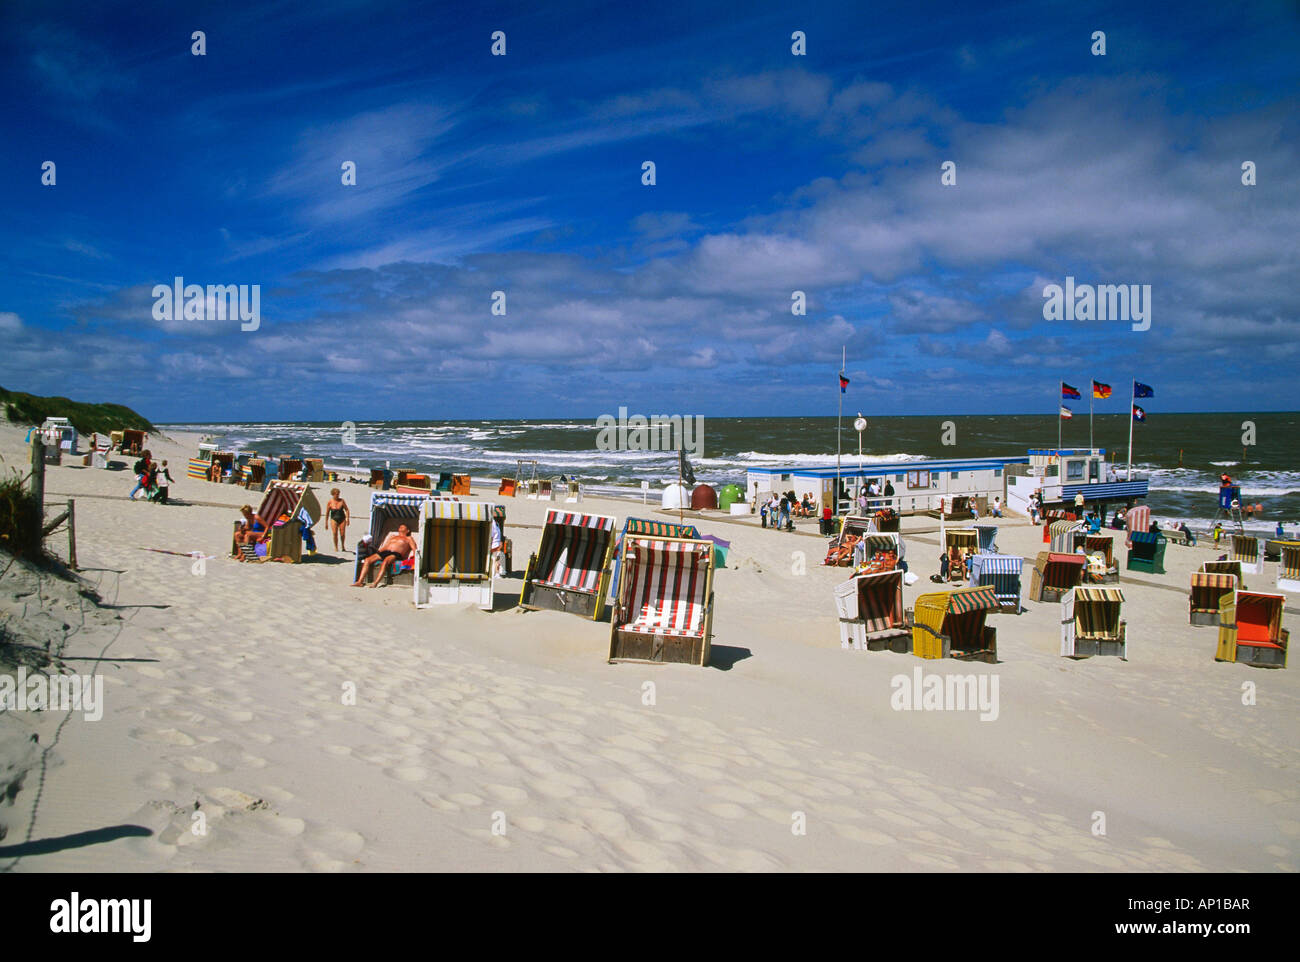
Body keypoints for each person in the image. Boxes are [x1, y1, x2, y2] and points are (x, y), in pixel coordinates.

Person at [353, 524, 417, 587]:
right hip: (385, 552)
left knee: (385, 562)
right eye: (400, 526)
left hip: (396, 553)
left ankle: (375, 583)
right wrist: (378, 552)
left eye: (403, 527)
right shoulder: (392, 536)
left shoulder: (409, 538)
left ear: (407, 530)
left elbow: (414, 548)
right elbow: (386, 546)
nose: (401, 527)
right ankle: (359, 582)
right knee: (367, 560)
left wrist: (414, 557)